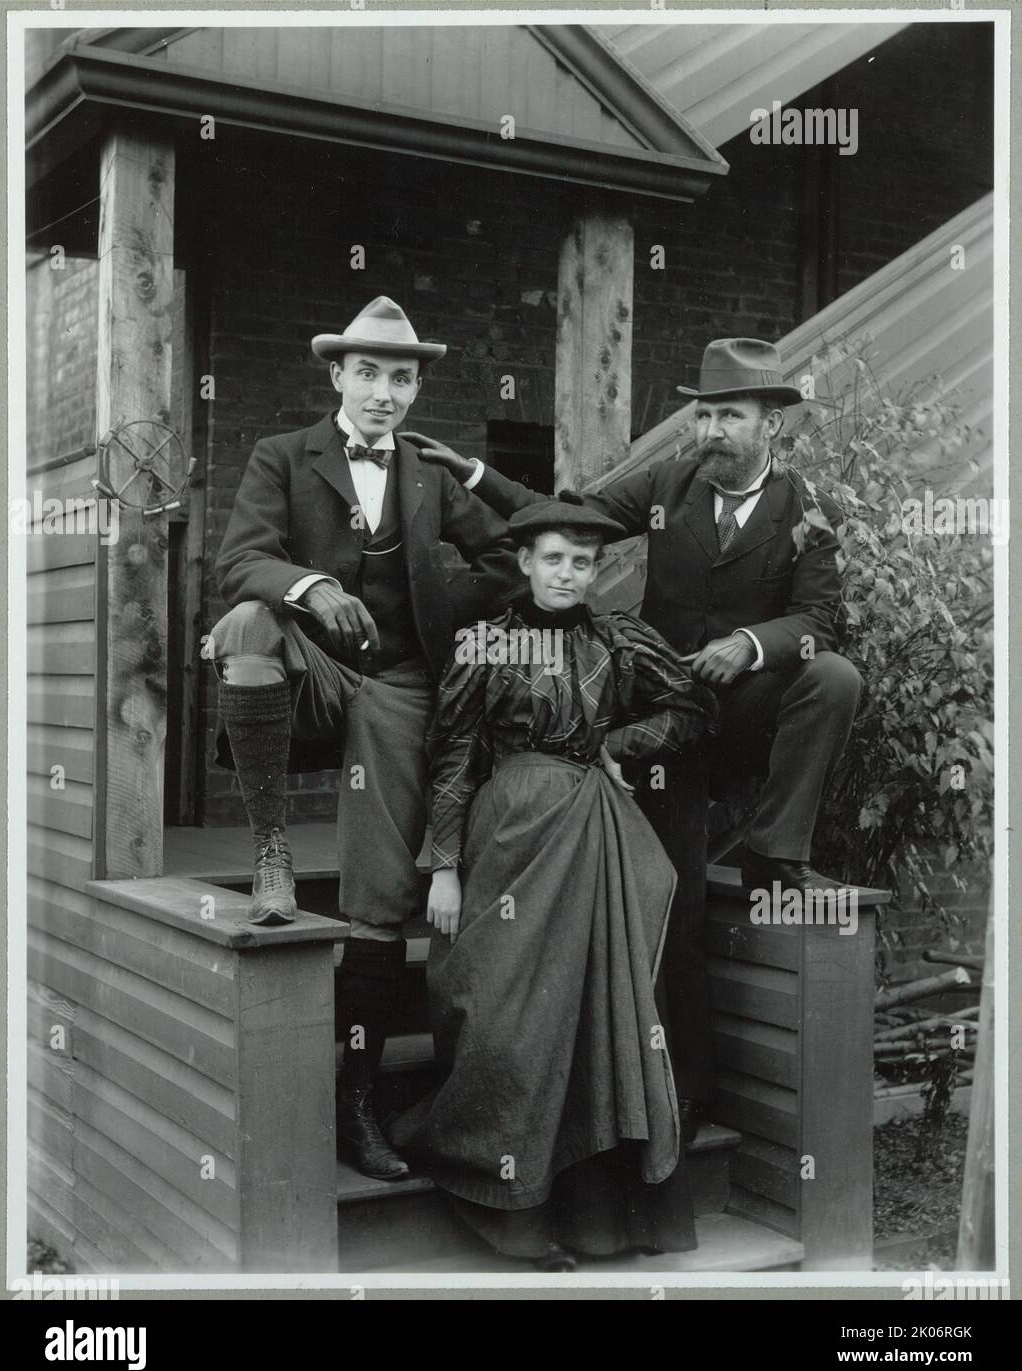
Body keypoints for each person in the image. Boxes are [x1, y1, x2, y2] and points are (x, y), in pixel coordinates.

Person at [402, 337, 863, 1133]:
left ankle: (774, 856)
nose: (711, 430)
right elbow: (570, 515)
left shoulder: (807, 515)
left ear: (771, 428)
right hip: (658, 730)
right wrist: (474, 474)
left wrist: (750, 645)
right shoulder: (668, 482)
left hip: (742, 711)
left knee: (833, 677)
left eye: (730, 416)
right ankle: (682, 1086)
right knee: (669, 904)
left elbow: (820, 619)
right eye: (705, 414)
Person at [207, 296, 522, 1181]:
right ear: (337, 375)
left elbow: (506, 556)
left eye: (402, 377)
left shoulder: (427, 472)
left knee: (380, 891)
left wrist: (436, 616)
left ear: (416, 388)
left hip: (398, 679)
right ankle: (272, 849)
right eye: (369, 373)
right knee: (241, 628)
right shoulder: (283, 457)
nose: (384, 392)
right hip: (311, 658)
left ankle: (355, 1101)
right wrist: (306, 587)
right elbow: (239, 561)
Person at [388, 500, 717, 1271]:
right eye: (554, 559)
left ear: (594, 570)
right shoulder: (486, 645)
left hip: (597, 830)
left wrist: (617, 742)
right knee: (511, 1011)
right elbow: (451, 754)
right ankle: (511, 1213)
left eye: (581, 561)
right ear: (525, 563)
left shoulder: (619, 640)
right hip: (508, 835)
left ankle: (602, 1221)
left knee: (603, 1005)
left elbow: (695, 706)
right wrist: (441, 865)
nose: (567, 573)